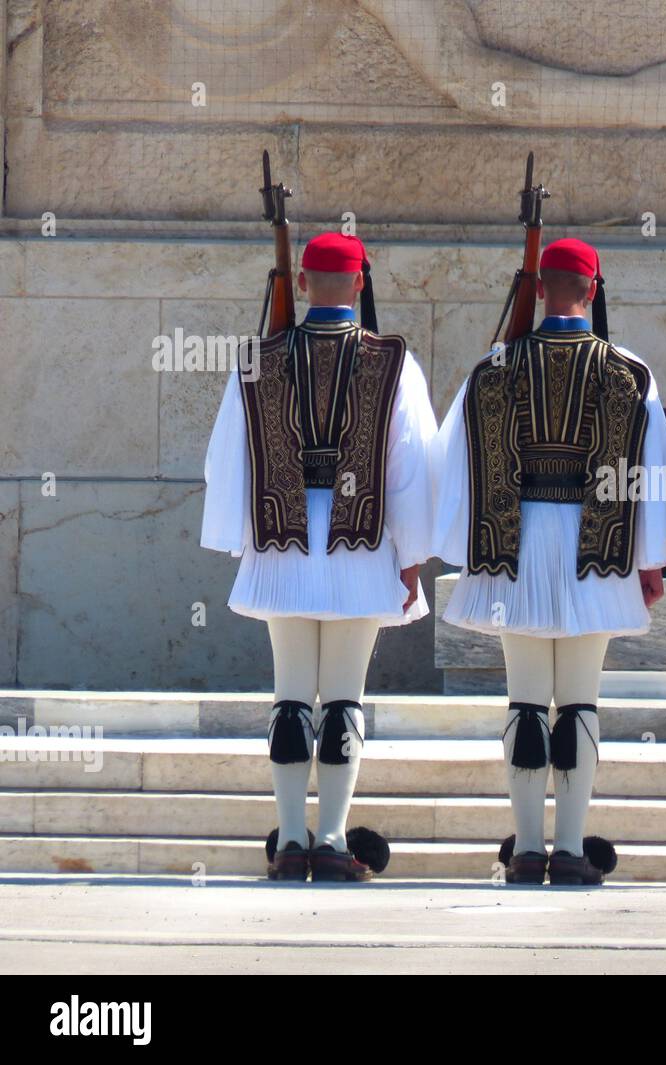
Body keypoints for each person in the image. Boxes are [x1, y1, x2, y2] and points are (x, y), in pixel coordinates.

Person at [201, 232, 439, 882]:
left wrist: (237, 537)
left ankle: (289, 842)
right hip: (361, 547)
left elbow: (228, 457)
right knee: (343, 698)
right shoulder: (394, 363)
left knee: (288, 697)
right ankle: (331, 839)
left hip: (281, 546)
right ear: (360, 283)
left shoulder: (257, 359)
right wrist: (412, 553)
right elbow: (412, 467)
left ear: (301, 285)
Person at [432, 237, 666, 885]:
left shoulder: (494, 366)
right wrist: (648, 559)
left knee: (526, 701)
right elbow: (651, 472)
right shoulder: (628, 370)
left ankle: (527, 848)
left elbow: (455, 463)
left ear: (540, 290)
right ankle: (569, 849)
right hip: (598, 547)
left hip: (513, 546)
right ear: (593, 290)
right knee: (581, 702)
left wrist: (466, 551)